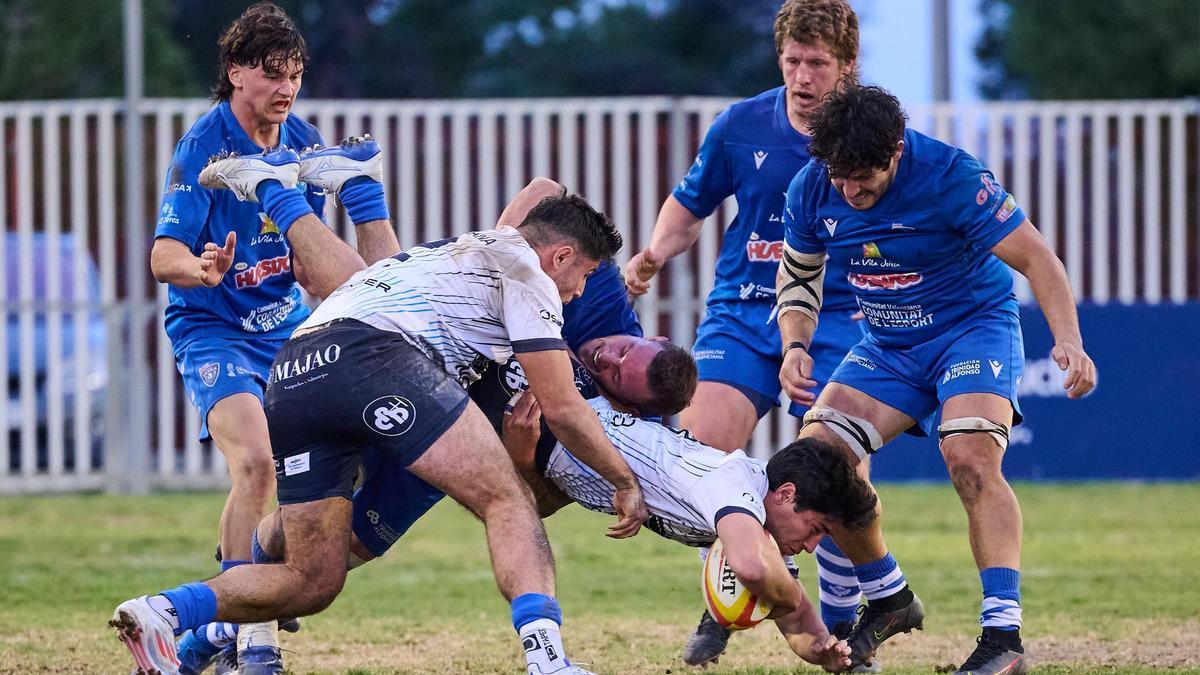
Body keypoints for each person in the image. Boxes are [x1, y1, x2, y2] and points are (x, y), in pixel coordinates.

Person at [113, 184, 649, 675]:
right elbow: (563, 406)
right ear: (560, 257)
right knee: (505, 498)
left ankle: (163, 610)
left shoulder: (469, 247)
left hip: (297, 365)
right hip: (375, 360)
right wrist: (623, 481)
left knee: (313, 580)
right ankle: (549, 661)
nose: (579, 293)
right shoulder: (528, 275)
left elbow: (539, 197)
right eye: (582, 275)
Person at [777, 84, 1097, 674]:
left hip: (970, 330)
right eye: (840, 178)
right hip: (889, 345)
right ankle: (890, 595)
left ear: (896, 150)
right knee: (816, 459)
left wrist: (1069, 341)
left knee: (971, 457)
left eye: (863, 179)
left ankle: (1003, 639)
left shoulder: (951, 176)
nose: (850, 192)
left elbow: (1037, 259)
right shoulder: (813, 186)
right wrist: (795, 344)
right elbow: (798, 276)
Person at [622, 0, 872, 664]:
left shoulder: (870, 132)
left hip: (839, 317)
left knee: (837, 474)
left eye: (817, 63)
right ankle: (722, 604)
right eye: (792, 61)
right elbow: (689, 204)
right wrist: (652, 253)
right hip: (744, 310)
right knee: (704, 449)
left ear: (848, 65)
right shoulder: (741, 125)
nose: (802, 76)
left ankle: (846, 623)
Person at [149, 3, 393, 672]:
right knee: (256, 460)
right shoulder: (204, 146)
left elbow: (315, 263)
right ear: (235, 74)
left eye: (296, 75)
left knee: (346, 452)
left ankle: (213, 630)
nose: (287, 89)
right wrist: (198, 268)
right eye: (273, 74)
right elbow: (161, 253)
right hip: (212, 329)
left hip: (286, 325)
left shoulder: (305, 140)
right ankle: (244, 629)